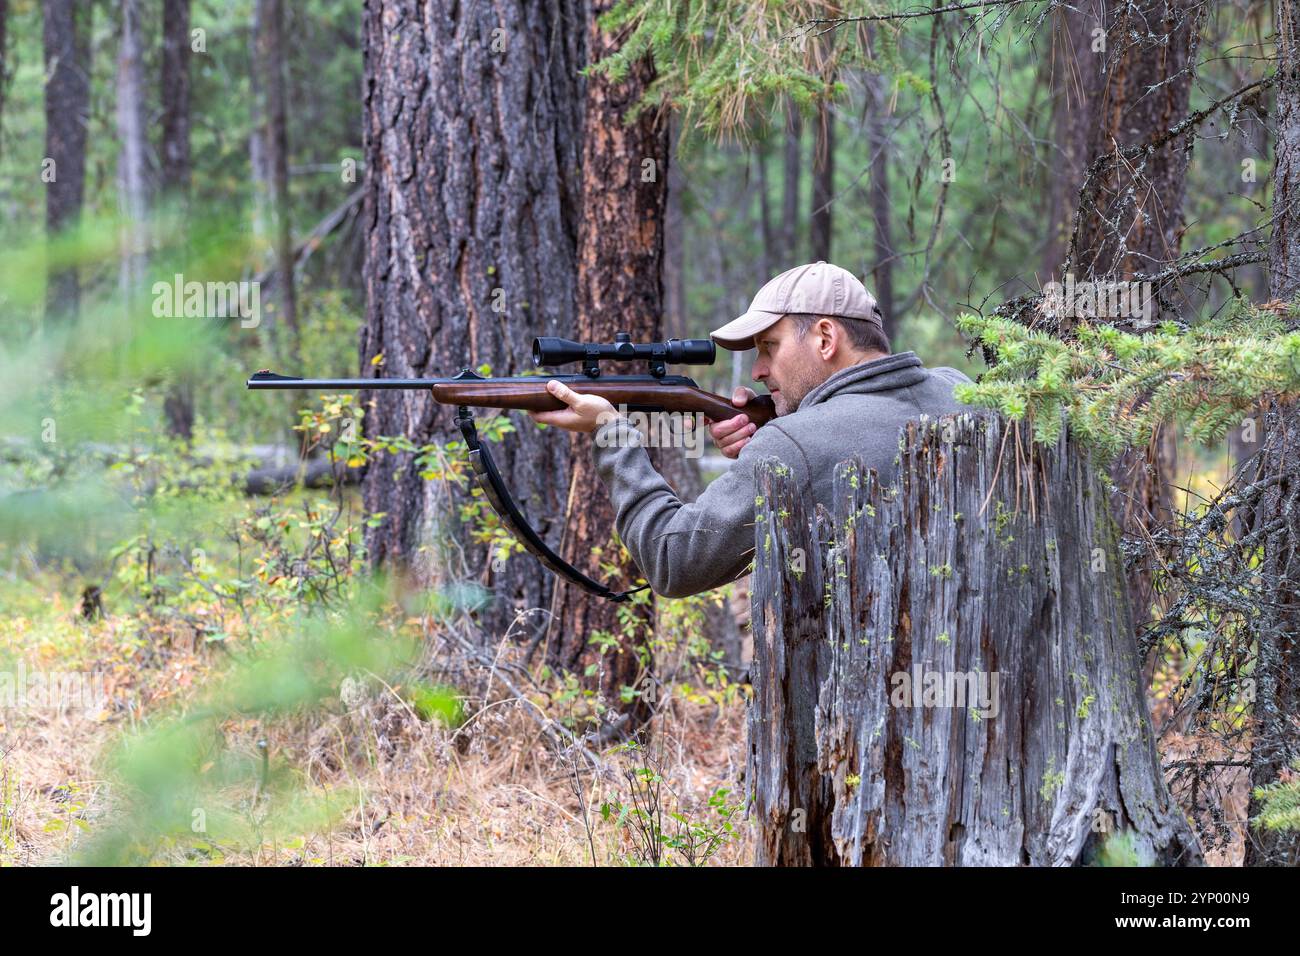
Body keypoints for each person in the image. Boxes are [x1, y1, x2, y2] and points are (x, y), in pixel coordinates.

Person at [528, 261, 975, 598]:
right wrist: (780, 428)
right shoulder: (960, 390)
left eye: (769, 347)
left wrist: (612, 433)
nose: (759, 369)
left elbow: (672, 561)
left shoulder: (793, 444)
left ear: (825, 338)